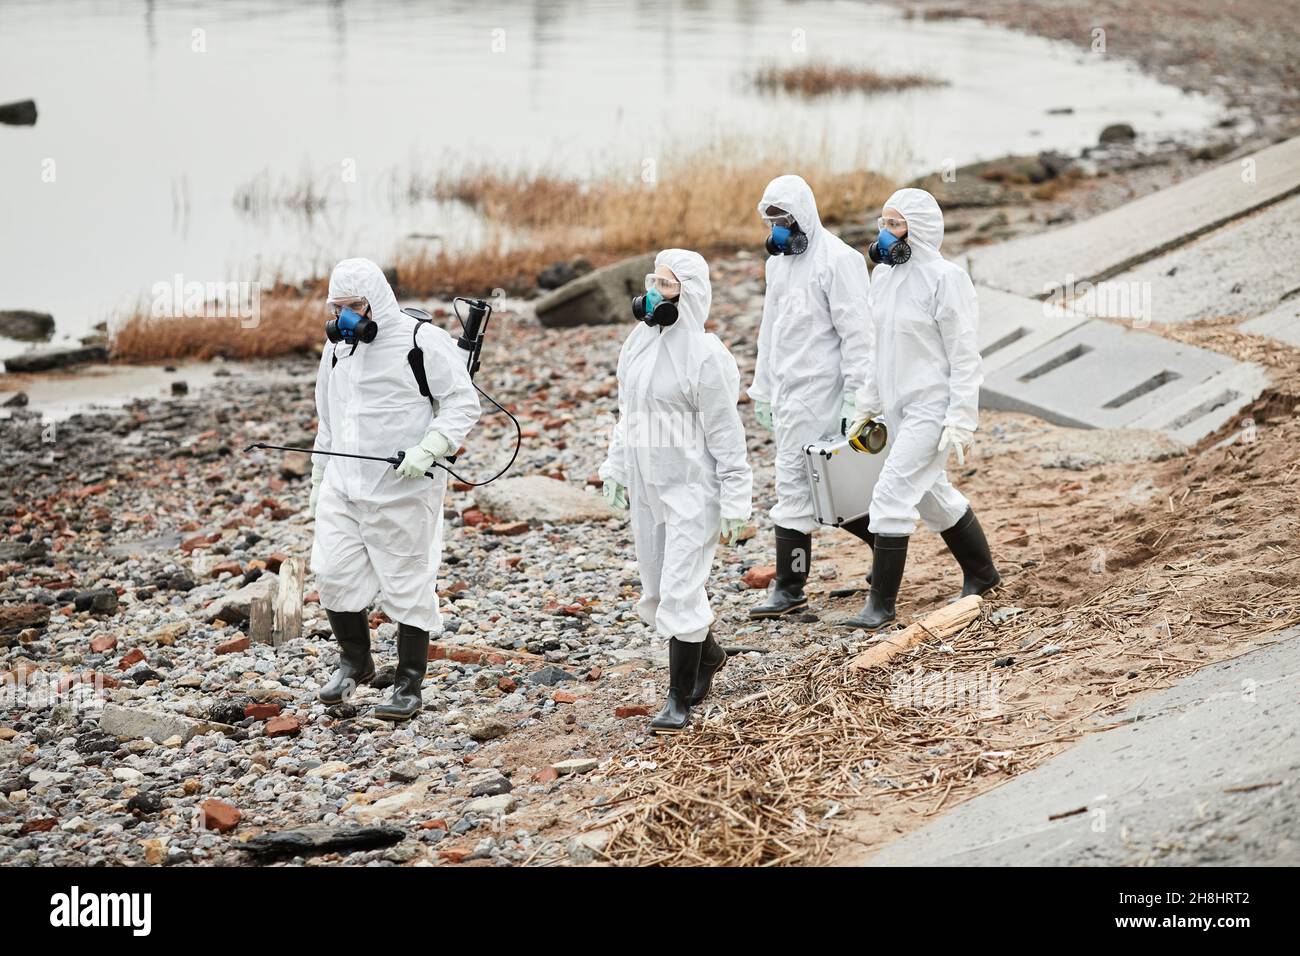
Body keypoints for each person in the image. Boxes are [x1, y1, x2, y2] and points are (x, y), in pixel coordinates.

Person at [309, 258, 480, 719]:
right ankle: (355, 662)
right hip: (344, 484)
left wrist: (431, 447)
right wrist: (320, 475)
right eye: (337, 307)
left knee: (408, 583)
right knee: (332, 573)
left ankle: (408, 684)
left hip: (404, 486)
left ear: (377, 301)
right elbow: (329, 417)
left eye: (354, 305)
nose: (344, 316)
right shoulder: (336, 350)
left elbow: (463, 402)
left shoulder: (421, 340)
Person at [600, 249, 753, 732]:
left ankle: (678, 698)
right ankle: (709, 655)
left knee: (681, 591)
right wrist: (615, 467)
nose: (653, 293)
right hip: (648, 486)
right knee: (656, 591)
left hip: (692, 489)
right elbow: (628, 415)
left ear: (690, 294)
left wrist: (736, 497)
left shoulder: (707, 357)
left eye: (666, 286)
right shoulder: (638, 342)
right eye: (653, 282)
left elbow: (726, 434)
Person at [844, 188, 1000, 631]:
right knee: (932, 497)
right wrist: (867, 406)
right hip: (897, 408)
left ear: (921, 228)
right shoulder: (884, 277)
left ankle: (881, 606)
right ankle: (983, 575)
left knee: (891, 495)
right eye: (883, 222)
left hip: (932, 407)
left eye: (895, 224)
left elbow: (965, 355)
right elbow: (878, 350)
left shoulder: (946, 279)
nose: (884, 232)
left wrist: (961, 419)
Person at [747, 174, 875, 619]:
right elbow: (770, 332)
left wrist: (857, 398)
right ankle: (880, 546)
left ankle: (790, 586)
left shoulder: (839, 260)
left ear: (804, 214)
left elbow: (859, 335)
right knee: (809, 486)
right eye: (771, 220)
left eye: (785, 218)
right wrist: (762, 389)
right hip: (787, 393)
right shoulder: (778, 265)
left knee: (814, 487)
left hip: (826, 392)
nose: (778, 228)